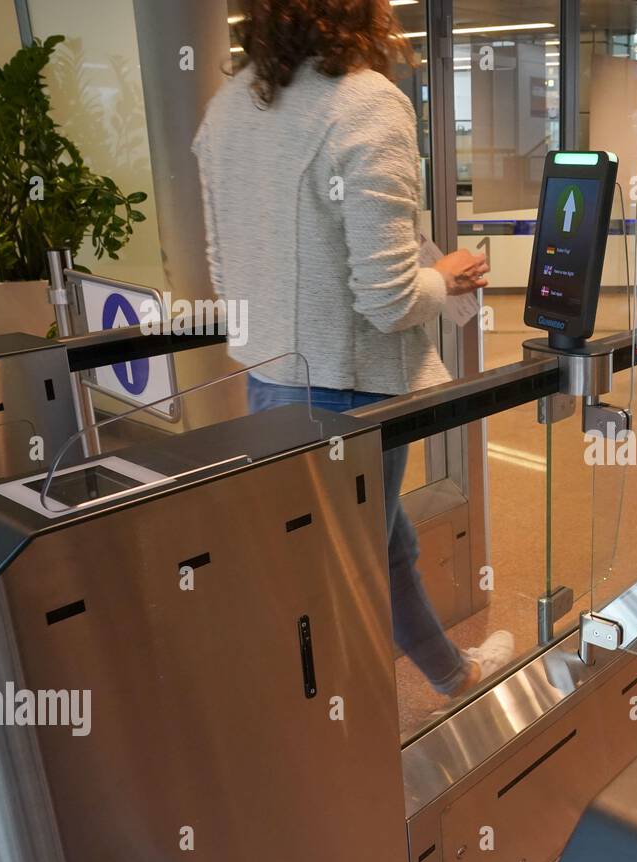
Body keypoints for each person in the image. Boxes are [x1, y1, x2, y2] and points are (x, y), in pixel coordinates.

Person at [193, 0, 512, 698]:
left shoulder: (227, 110)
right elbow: (390, 298)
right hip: (350, 392)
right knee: (346, 565)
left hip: (271, 382)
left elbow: (223, 272)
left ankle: (451, 675)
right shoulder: (369, 105)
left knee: (374, 542)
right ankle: (343, 734)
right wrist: (446, 277)